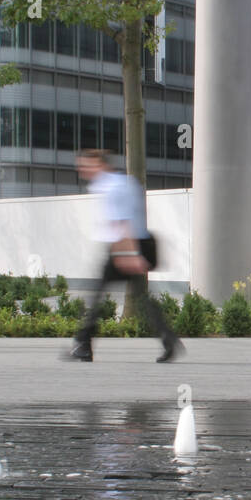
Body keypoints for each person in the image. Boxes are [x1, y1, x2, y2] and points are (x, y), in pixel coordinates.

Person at [69, 149, 183, 364]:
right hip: (129, 246)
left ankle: (83, 344)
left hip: (122, 247)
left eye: (86, 164)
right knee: (141, 298)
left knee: (98, 296)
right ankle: (168, 338)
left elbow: (122, 222)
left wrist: (128, 254)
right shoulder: (123, 182)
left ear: (100, 164)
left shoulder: (112, 188)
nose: (81, 169)